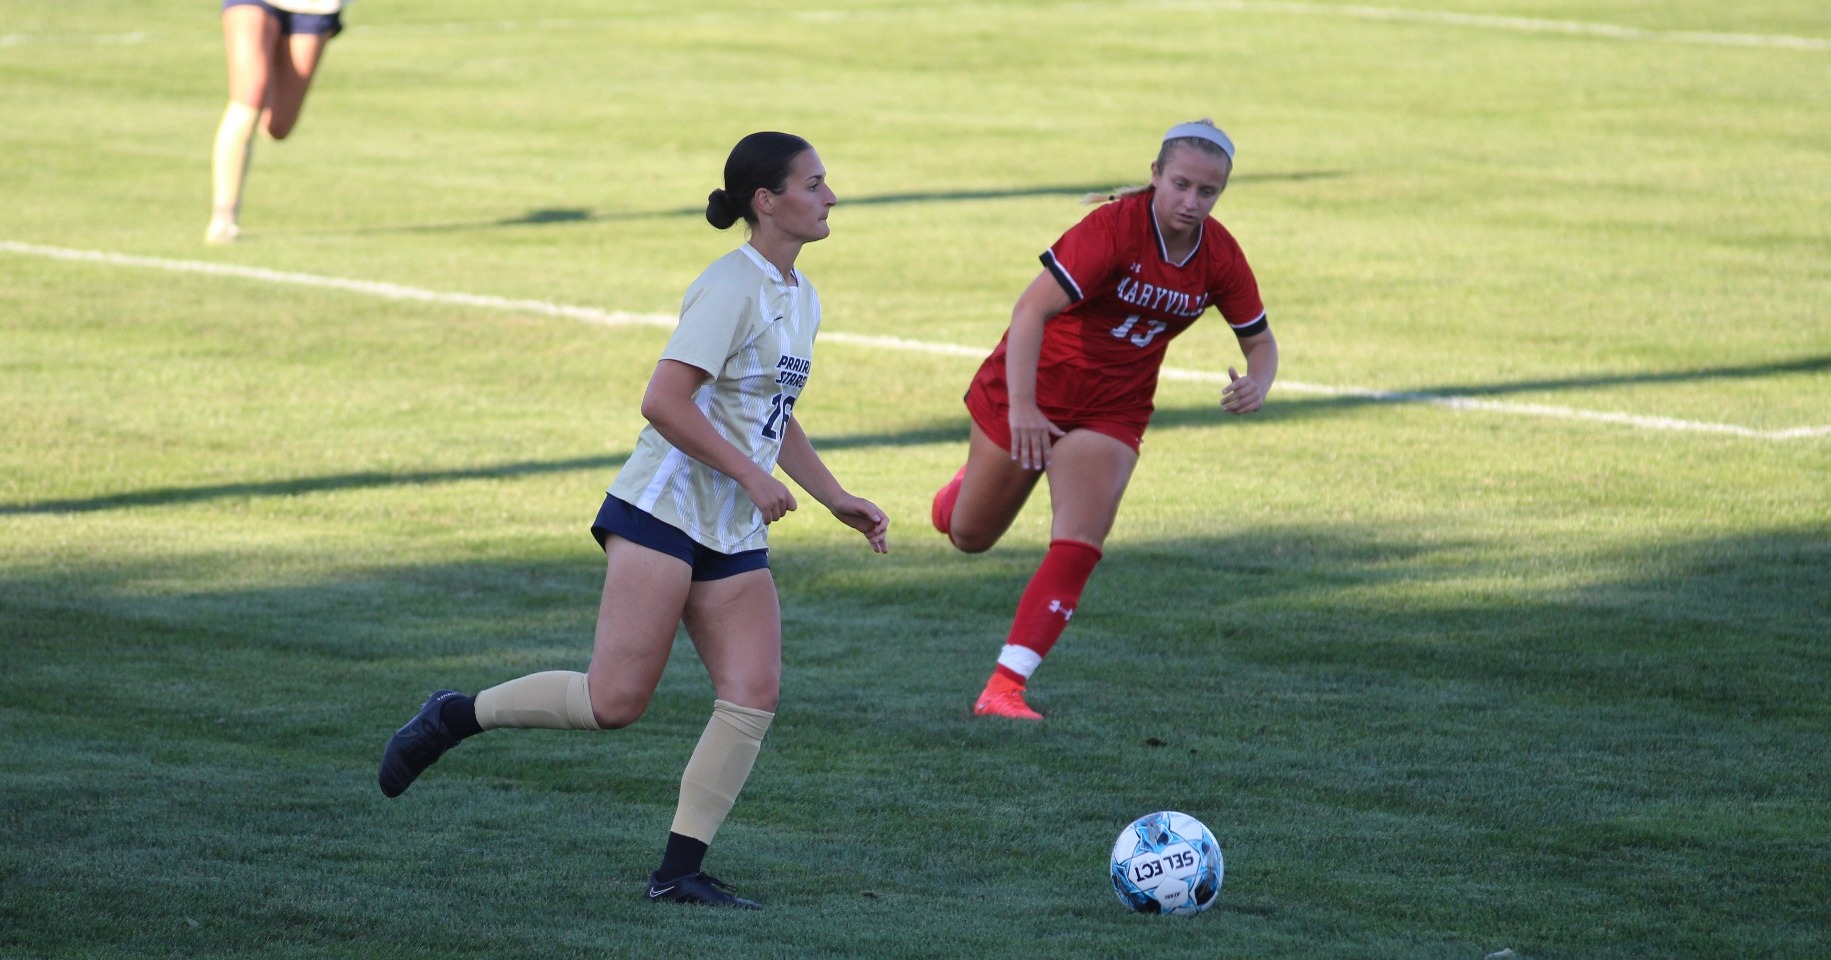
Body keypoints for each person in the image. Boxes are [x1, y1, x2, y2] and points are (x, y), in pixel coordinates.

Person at [377, 132, 889, 910]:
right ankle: (455, 715)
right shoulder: (729, 287)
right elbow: (663, 401)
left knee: (752, 692)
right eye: (814, 184)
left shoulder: (801, 295)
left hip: (731, 526)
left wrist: (832, 495)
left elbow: (772, 415)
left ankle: (677, 873)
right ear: (766, 201)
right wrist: (749, 475)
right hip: (664, 509)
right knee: (614, 703)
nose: (830, 197)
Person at [931, 119, 1278, 721]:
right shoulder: (1113, 229)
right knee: (970, 535)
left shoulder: (1218, 254)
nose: (1192, 201)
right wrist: (1025, 408)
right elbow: (1029, 311)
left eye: (1208, 191)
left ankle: (1004, 689)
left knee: (1079, 542)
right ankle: (959, 493)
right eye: (1181, 184)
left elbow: (1260, 342)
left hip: (1114, 408)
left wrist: (1258, 382)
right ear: (1155, 175)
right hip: (1031, 389)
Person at [206, 0, 347, 244]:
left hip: (315, 7)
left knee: (278, 126)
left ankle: (268, 64)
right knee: (251, 94)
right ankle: (224, 218)